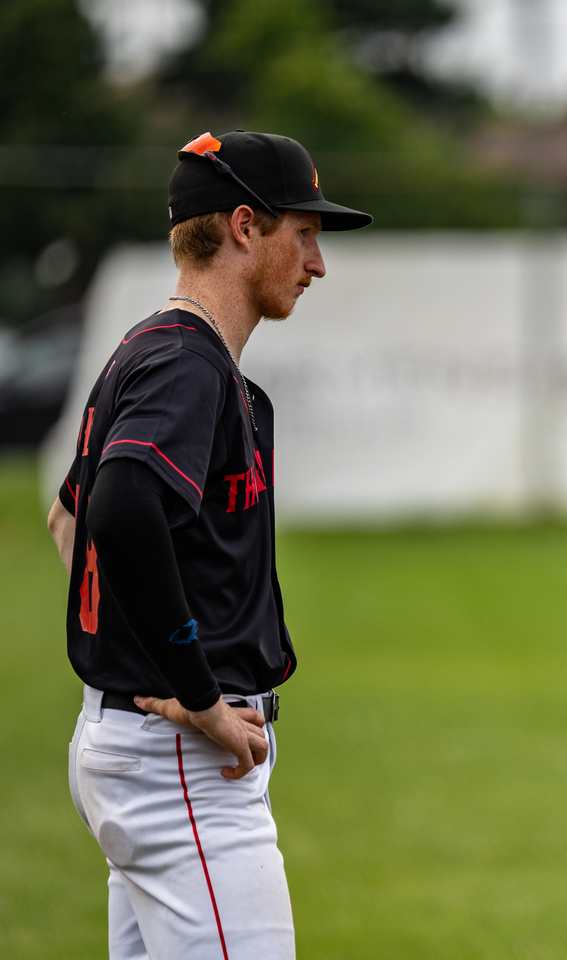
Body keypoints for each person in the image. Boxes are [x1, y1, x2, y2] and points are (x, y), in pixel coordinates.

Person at [47, 130, 371, 960]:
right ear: (243, 226)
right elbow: (118, 513)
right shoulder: (186, 364)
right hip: (183, 763)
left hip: (143, 748)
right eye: (304, 232)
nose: (317, 263)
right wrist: (190, 688)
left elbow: (66, 520)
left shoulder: (147, 350)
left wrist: (142, 659)